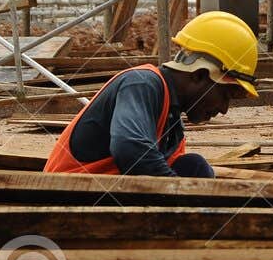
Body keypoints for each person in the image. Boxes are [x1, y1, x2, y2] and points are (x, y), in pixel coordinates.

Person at [44, 11, 259, 178]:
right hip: (70, 198)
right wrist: (180, 197)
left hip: (109, 198)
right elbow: (130, 149)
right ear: (199, 75)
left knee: (194, 167)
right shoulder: (142, 84)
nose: (224, 109)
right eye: (225, 95)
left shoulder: (170, 119)